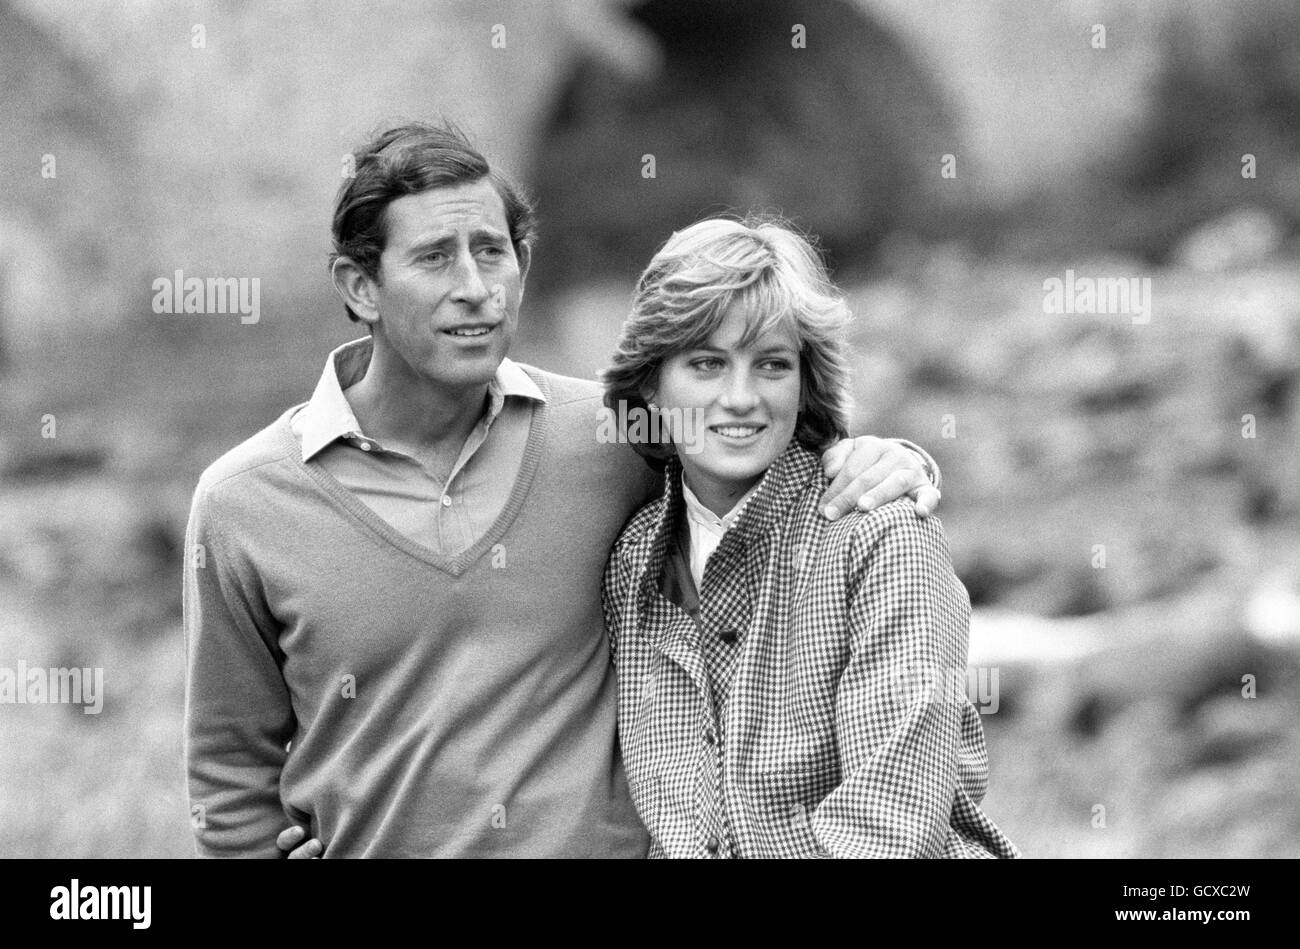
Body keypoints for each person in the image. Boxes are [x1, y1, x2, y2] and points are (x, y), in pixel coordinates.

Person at [185, 120, 943, 858]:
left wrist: (896, 461)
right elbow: (229, 774)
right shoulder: (244, 505)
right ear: (360, 286)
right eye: (436, 259)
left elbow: (761, 451)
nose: (476, 289)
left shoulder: (611, 435)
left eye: (493, 252)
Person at [599, 215, 1019, 857]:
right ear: (653, 385)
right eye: (707, 363)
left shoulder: (880, 535)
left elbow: (889, 828)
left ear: (805, 383)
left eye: (771, 364)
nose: (740, 398)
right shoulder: (631, 563)